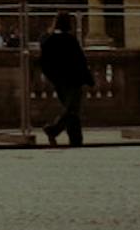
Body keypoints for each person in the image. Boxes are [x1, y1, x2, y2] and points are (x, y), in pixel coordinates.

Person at [35, 15, 95, 147]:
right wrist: (89, 79)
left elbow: (43, 62)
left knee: (71, 110)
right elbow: (80, 61)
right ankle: (54, 130)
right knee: (72, 109)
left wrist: (53, 77)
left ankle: (76, 138)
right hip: (73, 79)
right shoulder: (70, 40)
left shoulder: (49, 40)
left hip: (59, 80)